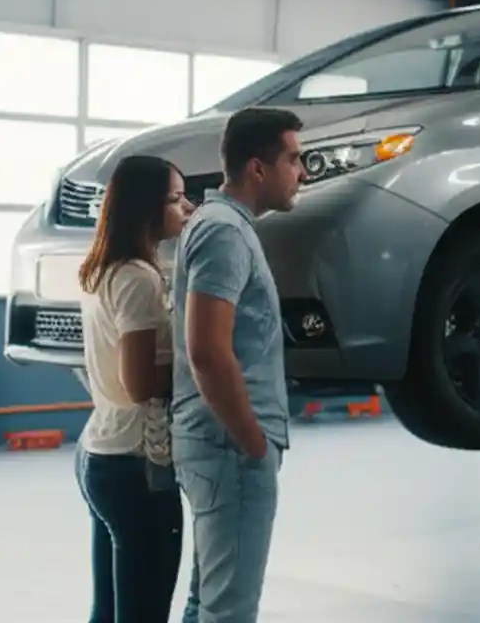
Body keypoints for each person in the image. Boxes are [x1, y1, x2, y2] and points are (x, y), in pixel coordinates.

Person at [171, 106, 306, 623]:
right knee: (229, 609)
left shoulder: (224, 226)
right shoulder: (224, 231)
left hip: (221, 443)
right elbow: (207, 348)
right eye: (293, 159)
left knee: (207, 601)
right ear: (258, 168)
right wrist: (252, 439)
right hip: (231, 446)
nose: (301, 173)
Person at [75, 154, 196, 622]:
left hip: (99, 453)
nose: (187, 207)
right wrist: (204, 366)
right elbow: (140, 380)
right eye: (176, 197)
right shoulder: (138, 280)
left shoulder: (101, 271)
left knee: (108, 611)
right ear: (147, 208)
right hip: (136, 465)